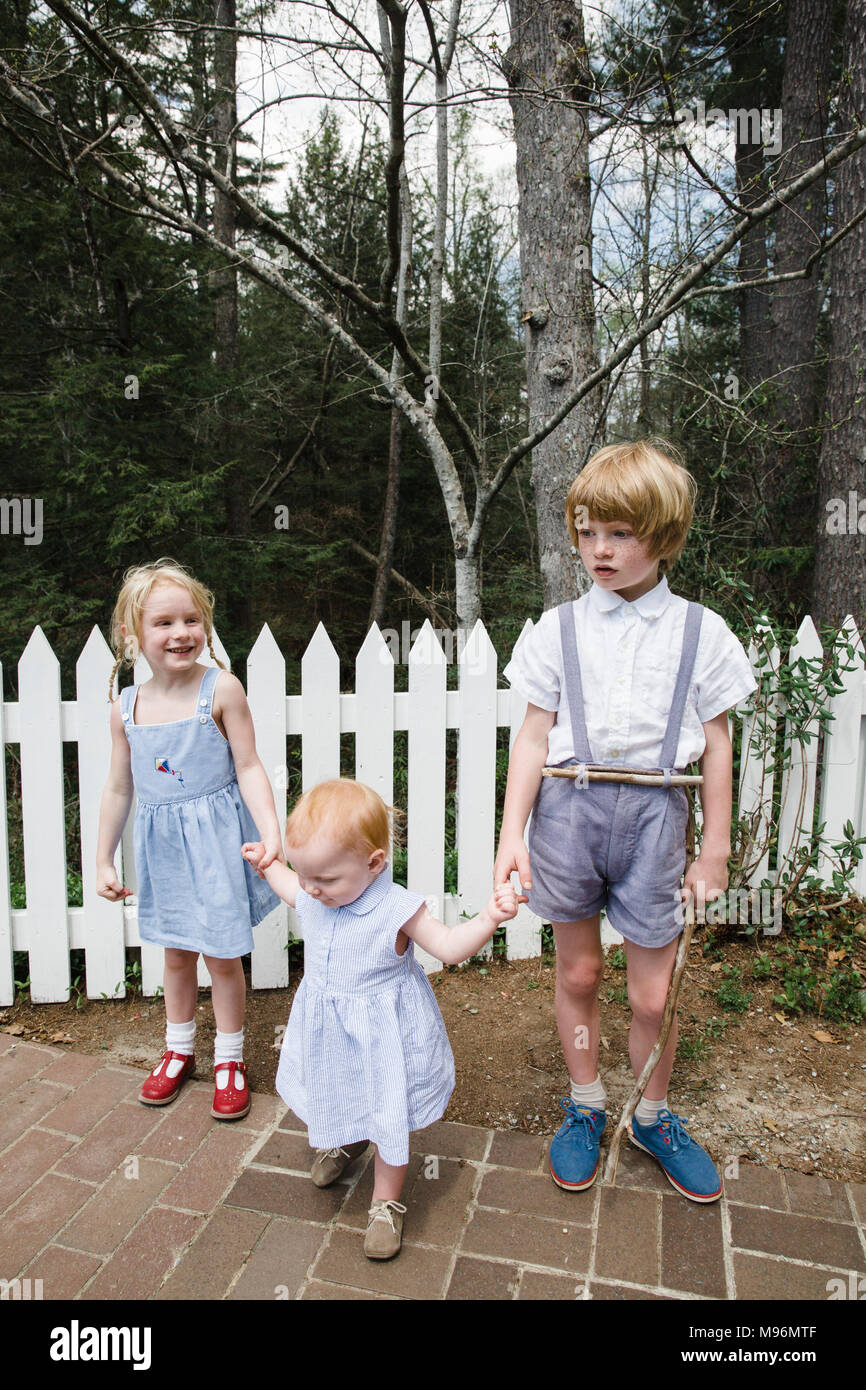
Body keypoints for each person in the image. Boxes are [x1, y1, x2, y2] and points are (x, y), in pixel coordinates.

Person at [494, 440, 757, 1202]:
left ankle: (652, 1113)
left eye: (619, 533)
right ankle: (585, 1104)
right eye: (586, 531)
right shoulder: (559, 629)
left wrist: (712, 849)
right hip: (569, 811)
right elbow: (534, 737)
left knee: (652, 996)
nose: (599, 550)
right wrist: (513, 836)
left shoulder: (701, 633)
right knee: (578, 971)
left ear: (664, 534)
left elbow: (715, 743)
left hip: (654, 817)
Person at [242, 778, 518, 1259]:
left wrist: (488, 918)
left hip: (384, 1035)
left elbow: (450, 948)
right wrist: (269, 865)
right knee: (339, 1087)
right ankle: (346, 1141)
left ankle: (386, 1202)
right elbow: (290, 885)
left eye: (324, 880)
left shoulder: (395, 909)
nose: (311, 889)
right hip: (332, 1032)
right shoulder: (315, 891)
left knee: (388, 1109)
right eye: (307, 876)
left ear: (373, 863)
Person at [96, 558, 283, 1120]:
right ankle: (178, 1051)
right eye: (164, 623)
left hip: (218, 845)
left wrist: (272, 830)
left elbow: (249, 766)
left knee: (222, 957)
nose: (181, 634)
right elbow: (117, 788)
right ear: (132, 634)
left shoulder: (221, 689)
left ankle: (230, 1058)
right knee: (176, 955)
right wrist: (102, 858)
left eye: (191, 620)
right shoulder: (125, 709)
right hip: (164, 851)